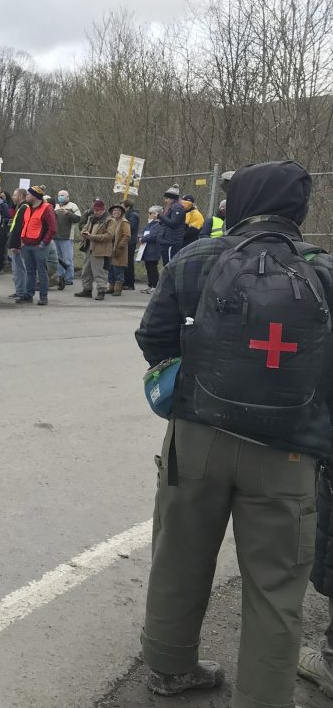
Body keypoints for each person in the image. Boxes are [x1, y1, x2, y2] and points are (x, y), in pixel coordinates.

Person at [135, 160, 328, 708]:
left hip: (196, 435)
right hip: (289, 450)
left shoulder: (196, 258)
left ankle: (169, 667)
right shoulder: (323, 271)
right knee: (275, 585)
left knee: (180, 553)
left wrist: (192, 377)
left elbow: (152, 336)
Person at [16, 184, 57, 306]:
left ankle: (43, 296)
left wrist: (44, 242)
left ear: (35, 196)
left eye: (28, 194)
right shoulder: (28, 208)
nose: (26, 196)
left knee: (42, 272)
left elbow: (53, 228)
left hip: (39, 246)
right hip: (27, 245)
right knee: (30, 271)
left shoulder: (46, 208)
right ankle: (29, 295)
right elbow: (24, 225)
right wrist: (22, 241)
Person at [72, 200, 115, 301]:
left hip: (101, 250)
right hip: (89, 248)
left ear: (103, 210)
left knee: (100, 272)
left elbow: (109, 236)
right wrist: (84, 233)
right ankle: (87, 290)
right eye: (95, 210)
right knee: (86, 271)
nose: (96, 212)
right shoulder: (91, 219)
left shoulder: (110, 221)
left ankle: (101, 291)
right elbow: (84, 228)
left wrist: (93, 237)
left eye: (98, 210)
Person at [54, 190, 82, 288]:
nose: (60, 197)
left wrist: (68, 213)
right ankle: (59, 277)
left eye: (63, 195)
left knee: (67, 259)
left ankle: (68, 278)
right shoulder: (56, 206)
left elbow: (78, 219)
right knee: (58, 259)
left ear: (68, 197)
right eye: (59, 195)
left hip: (67, 237)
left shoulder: (73, 206)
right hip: (55, 236)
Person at [6, 188, 29, 301]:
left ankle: (21, 292)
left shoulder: (24, 208)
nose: (13, 197)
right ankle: (19, 290)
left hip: (18, 245)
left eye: (15, 195)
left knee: (20, 269)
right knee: (17, 269)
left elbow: (19, 227)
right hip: (17, 244)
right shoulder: (20, 207)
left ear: (20, 196)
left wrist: (16, 244)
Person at [105, 204, 131, 296]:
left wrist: (119, 247)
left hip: (119, 249)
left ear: (122, 213)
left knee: (118, 269)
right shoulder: (109, 221)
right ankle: (111, 287)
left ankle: (118, 289)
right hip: (109, 249)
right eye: (115, 210)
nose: (116, 212)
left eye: (118, 211)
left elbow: (126, 236)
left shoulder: (124, 222)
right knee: (111, 269)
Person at [158, 185, 187, 264]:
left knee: (170, 264)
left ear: (172, 198)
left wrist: (160, 216)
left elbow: (173, 223)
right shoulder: (171, 207)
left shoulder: (178, 208)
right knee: (166, 263)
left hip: (172, 241)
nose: (165, 201)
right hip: (166, 240)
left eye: (167, 198)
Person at [138, 206, 163, 293]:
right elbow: (144, 232)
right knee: (148, 267)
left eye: (150, 213)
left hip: (153, 250)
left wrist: (143, 238)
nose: (148, 215)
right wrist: (141, 237)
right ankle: (150, 284)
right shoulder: (149, 224)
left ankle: (155, 285)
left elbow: (154, 235)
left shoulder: (158, 224)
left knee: (153, 268)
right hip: (146, 249)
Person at [121, 199, 141, 289]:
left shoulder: (133, 215)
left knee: (128, 262)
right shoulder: (129, 215)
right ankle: (125, 282)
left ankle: (129, 283)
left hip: (130, 241)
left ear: (127, 207)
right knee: (126, 262)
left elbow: (131, 227)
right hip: (129, 240)